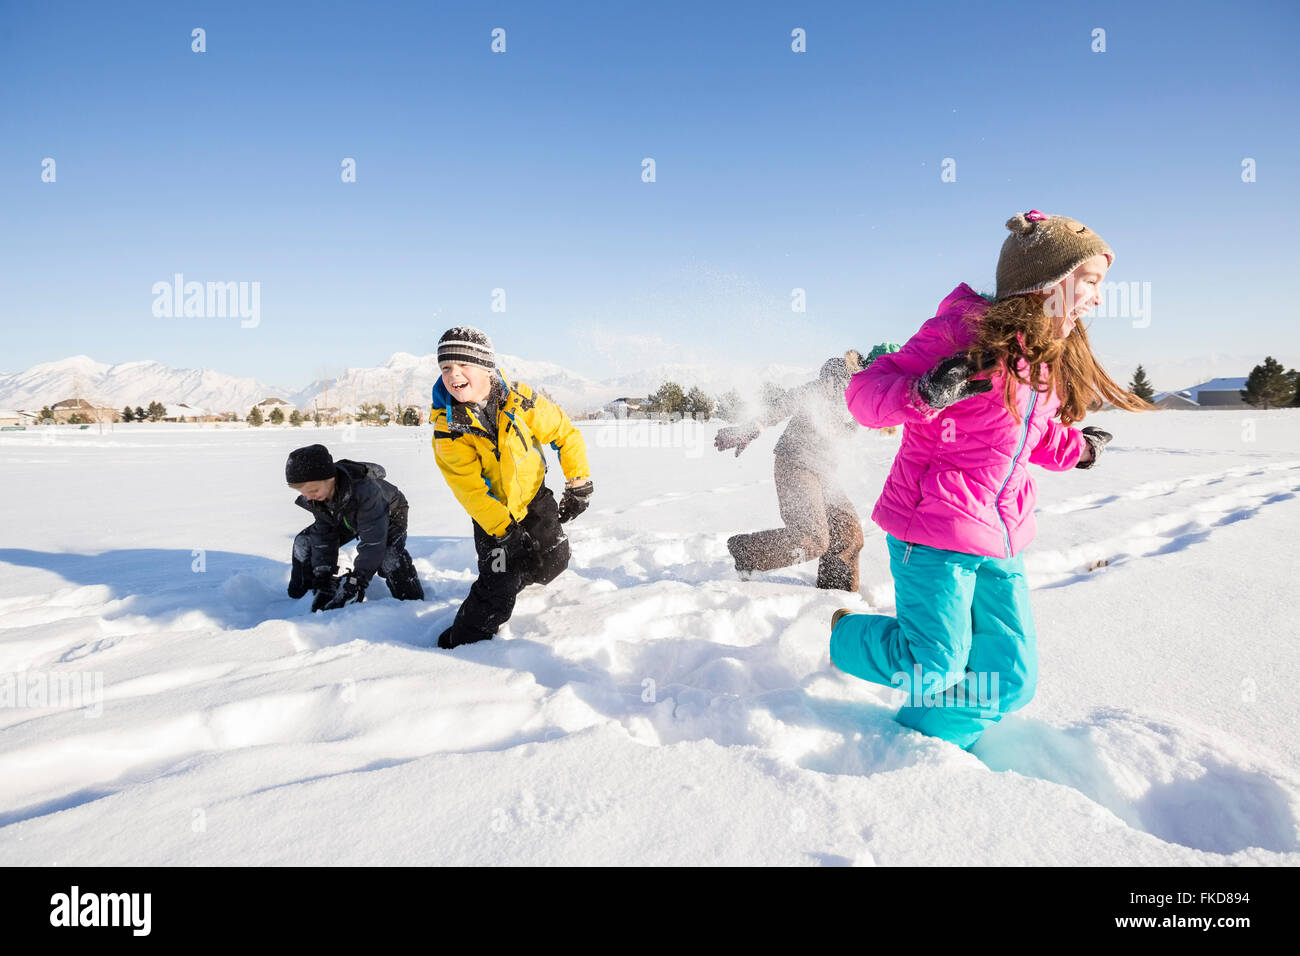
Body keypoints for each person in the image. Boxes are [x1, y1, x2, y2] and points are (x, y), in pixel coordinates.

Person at [829, 210, 1151, 751]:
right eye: (1091, 282)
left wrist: (1080, 450)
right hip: (931, 527)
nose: (1098, 298)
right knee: (930, 666)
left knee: (1010, 676)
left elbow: (1030, 435)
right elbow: (865, 394)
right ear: (1047, 282)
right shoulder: (960, 332)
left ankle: (930, 746)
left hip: (1002, 533)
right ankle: (845, 634)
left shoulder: (1045, 355)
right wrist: (924, 393)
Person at [430, 326, 593, 649]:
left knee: (555, 559)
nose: (454, 375)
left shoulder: (521, 400)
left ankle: (522, 574)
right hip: (491, 513)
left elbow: (565, 433)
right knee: (499, 582)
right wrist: (505, 532)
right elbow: (470, 490)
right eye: (446, 367)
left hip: (534, 497)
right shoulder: (448, 426)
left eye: (463, 365)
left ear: (486, 368)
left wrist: (579, 483)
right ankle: (461, 641)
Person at [714, 352, 877, 591]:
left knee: (849, 531)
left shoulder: (864, 399)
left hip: (825, 472)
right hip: (796, 465)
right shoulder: (826, 386)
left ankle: (835, 592)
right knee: (812, 538)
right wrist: (752, 427)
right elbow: (784, 403)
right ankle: (747, 552)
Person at [286, 443, 425, 611]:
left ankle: (411, 601)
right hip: (347, 518)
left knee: (388, 555)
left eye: (313, 490)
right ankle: (305, 594)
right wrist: (323, 572)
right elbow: (324, 534)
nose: (308, 497)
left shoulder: (366, 492)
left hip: (388, 514)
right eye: (303, 493)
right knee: (304, 542)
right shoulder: (318, 497)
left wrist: (358, 580)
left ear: (331, 479)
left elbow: (373, 543)